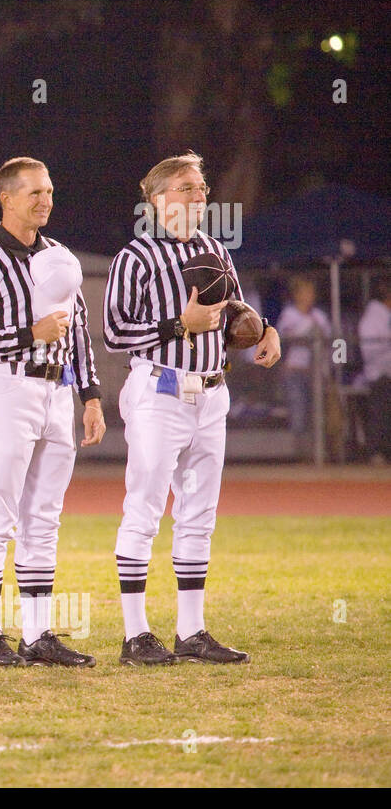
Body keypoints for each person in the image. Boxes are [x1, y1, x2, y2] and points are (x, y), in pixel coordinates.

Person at [103, 151, 281, 665]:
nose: (200, 194)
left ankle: (192, 631)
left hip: (212, 391)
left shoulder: (215, 250)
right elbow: (115, 332)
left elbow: (236, 315)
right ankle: (135, 635)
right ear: (159, 200)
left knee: (199, 515)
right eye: (187, 186)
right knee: (144, 509)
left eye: (201, 186)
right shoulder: (134, 257)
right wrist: (179, 327)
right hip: (160, 388)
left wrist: (264, 331)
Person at [0, 157, 104, 667]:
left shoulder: (59, 255)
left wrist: (91, 395)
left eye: (50, 191)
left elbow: (78, 330)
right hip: (6, 390)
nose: (46, 200)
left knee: (44, 520)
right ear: (7, 199)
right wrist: (26, 335)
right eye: (34, 192)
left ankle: (37, 636)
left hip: (57, 393)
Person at [275, 277, 331, 454]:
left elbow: (335, 341)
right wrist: (310, 327)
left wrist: (335, 366)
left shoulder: (319, 316)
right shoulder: (289, 314)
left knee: (316, 413)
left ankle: (317, 453)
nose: (310, 296)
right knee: (298, 410)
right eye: (305, 292)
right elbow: (286, 337)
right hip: (294, 371)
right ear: (297, 294)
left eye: (311, 292)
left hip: (316, 372)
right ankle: (297, 454)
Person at [357, 278, 391, 464]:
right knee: (381, 414)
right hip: (378, 375)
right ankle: (376, 452)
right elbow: (368, 351)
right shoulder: (373, 316)